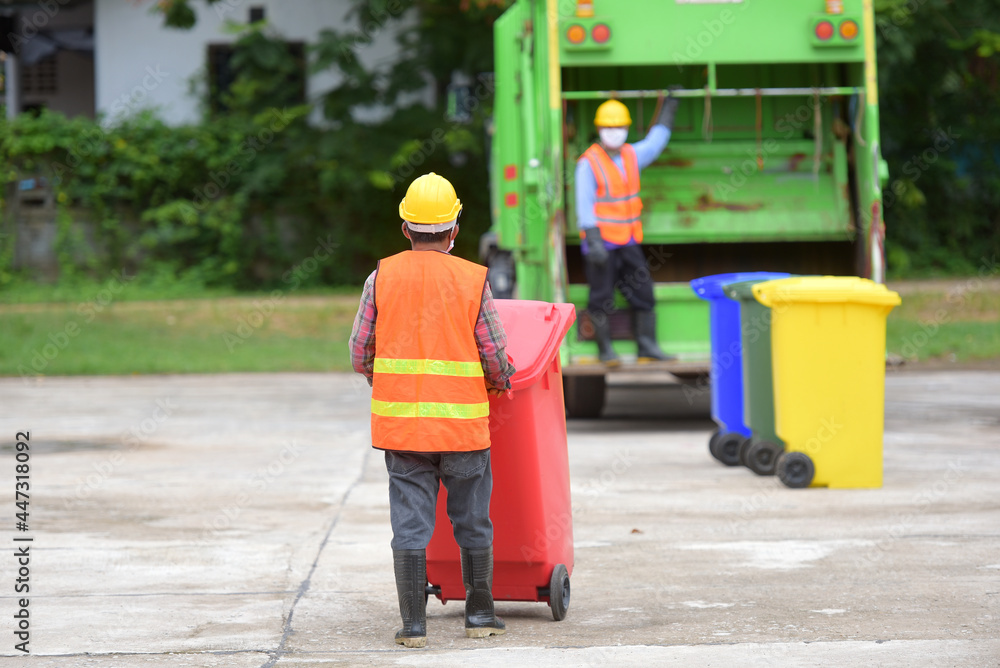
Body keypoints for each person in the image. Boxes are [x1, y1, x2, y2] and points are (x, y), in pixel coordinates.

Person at [349, 172, 516, 648]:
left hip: (403, 430)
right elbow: (494, 355)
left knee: (409, 524)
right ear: (455, 227)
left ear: (405, 227)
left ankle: (413, 626)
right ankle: (480, 613)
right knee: (472, 519)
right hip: (462, 428)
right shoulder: (472, 279)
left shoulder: (381, 276)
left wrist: (384, 381)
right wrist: (501, 382)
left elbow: (361, 349)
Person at [576, 94, 679, 365]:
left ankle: (647, 347)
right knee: (601, 296)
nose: (615, 132)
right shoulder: (589, 162)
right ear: (599, 129)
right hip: (602, 243)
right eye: (609, 127)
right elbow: (584, 204)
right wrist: (594, 242)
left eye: (619, 127)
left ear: (627, 128)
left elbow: (656, 143)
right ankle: (605, 351)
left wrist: (668, 109)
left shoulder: (633, 155)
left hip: (628, 240)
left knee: (643, 291)